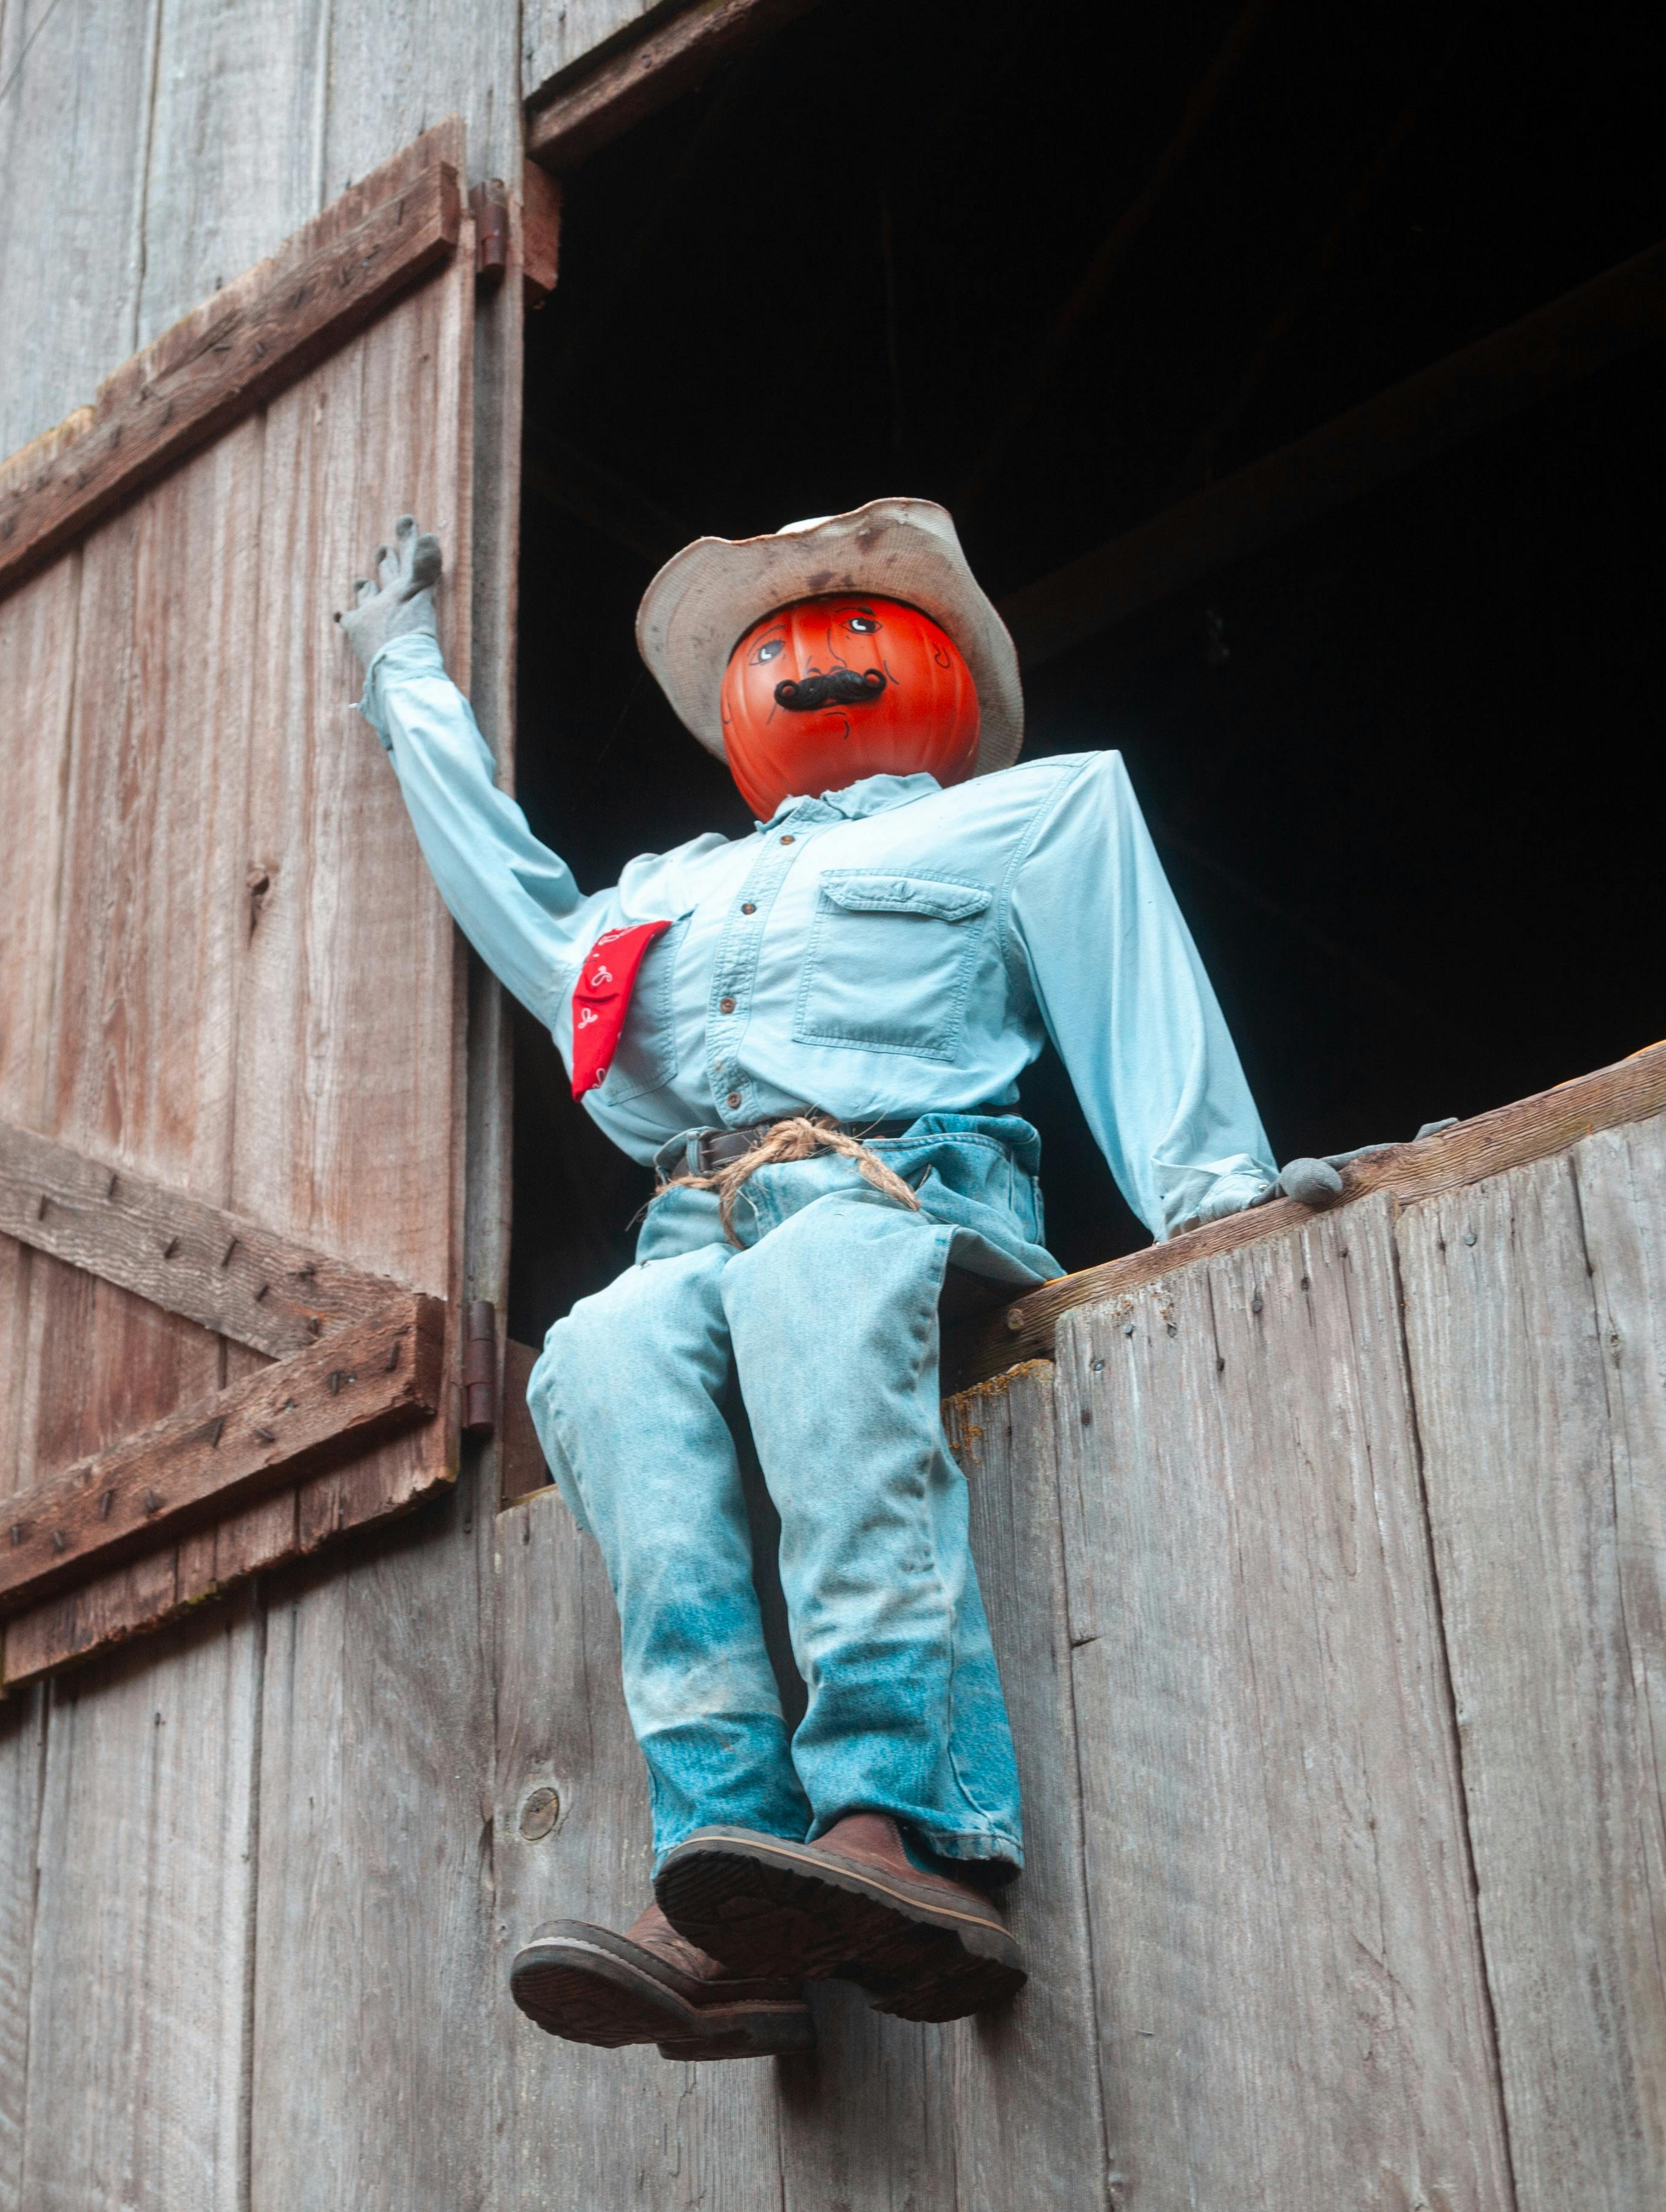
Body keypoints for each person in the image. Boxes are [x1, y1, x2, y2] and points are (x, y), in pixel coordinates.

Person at [337, 499, 1279, 2059]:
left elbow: (1135, 987)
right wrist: (403, 687)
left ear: (940, 672)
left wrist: (1223, 1197)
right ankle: (726, 1884)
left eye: (857, 634)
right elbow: (517, 907)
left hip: (893, 1182)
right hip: (694, 1222)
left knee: (815, 1289)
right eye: (775, 647)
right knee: (599, 1357)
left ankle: (901, 1823)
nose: (813, 665)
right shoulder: (663, 895)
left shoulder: (1029, 814)